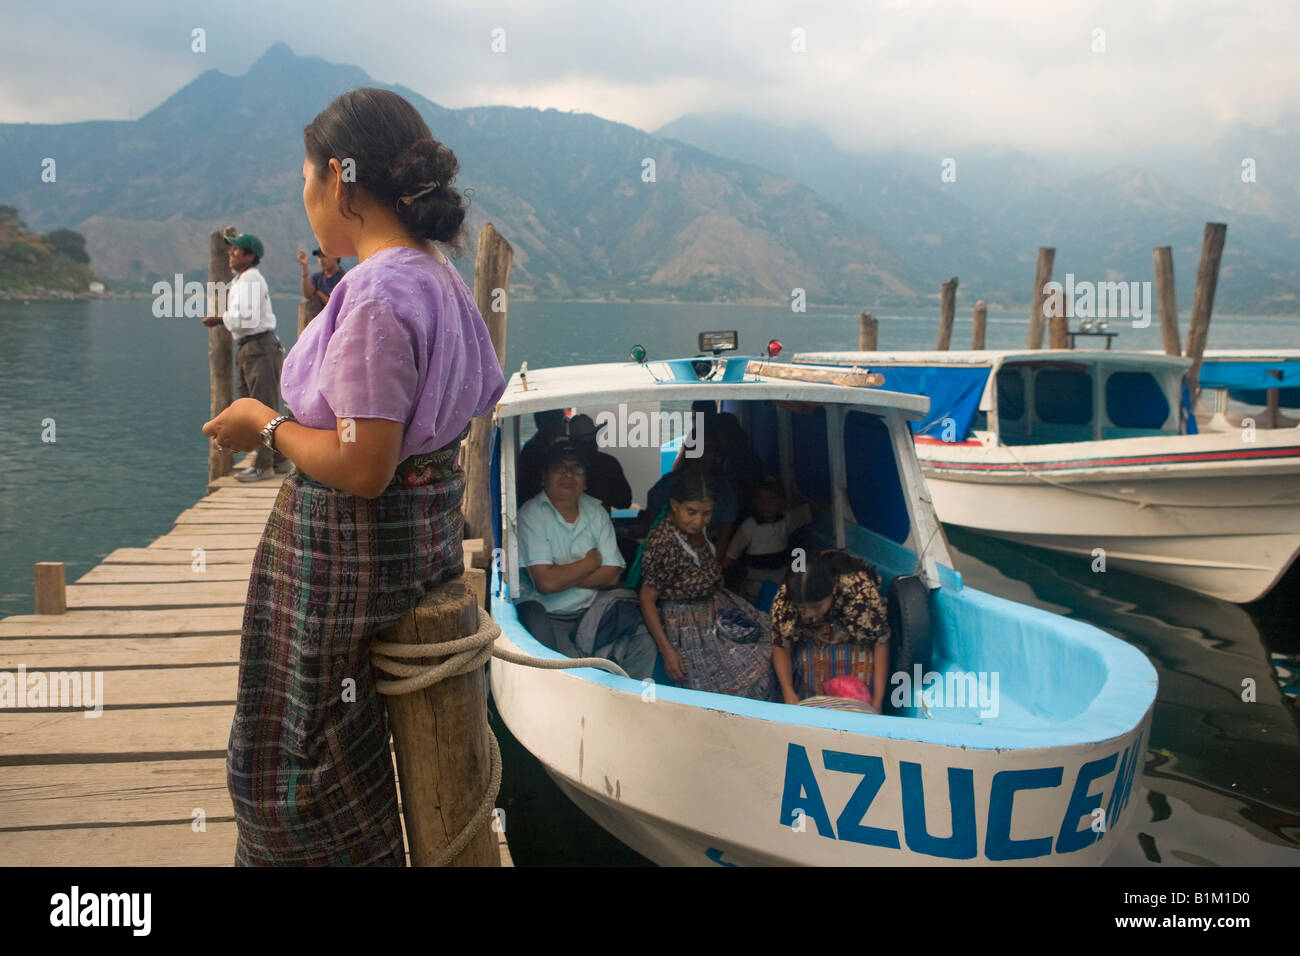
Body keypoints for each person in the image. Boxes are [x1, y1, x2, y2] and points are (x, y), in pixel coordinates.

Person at [203, 87, 506, 866]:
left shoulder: (374, 294)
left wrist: (261, 425)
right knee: (339, 732)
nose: (305, 201)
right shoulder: (436, 275)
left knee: (300, 748)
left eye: (305, 182)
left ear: (339, 179)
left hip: (350, 555)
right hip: (421, 542)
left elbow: (364, 467)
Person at [514, 440, 657, 679]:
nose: (568, 474)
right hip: (550, 616)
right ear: (543, 477)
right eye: (559, 468)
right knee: (578, 673)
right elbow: (545, 584)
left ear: (586, 481)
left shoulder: (596, 511)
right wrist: (589, 564)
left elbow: (612, 576)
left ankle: (628, 706)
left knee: (643, 647)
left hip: (594, 610)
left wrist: (560, 575)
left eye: (577, 469)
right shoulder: (531, 515)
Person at [637, 470, 775, 700]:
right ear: (674, 505)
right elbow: (647, 599)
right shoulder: (664, 541)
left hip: (719, 610)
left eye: (707, 513)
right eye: (691, 512)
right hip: (688, 625)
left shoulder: (697, 530)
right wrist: (668, 651)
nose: (699, 521)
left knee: (772, 643)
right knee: (733, 681)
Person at [202, 232, 291, 480]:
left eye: (236, 251)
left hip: (258, 347)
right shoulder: (243, 279)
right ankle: (279, 460)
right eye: (230, 250)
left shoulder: (251, 279)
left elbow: (247, 317)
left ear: (250, 256)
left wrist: (220, 319)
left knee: (261, 408)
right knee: (256, 405)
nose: (230, 254)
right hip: (249, 346)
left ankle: (263, 466)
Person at [769, 549, 891, 710]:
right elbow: (781, 645)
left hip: (854, 632)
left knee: (862, 675)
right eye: (802, 609)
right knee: (806, 668)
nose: (810, 614)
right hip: (813, 636)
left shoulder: (860, 592)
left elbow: (880, 642)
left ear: (833, 590)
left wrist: (877, 702)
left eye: (816, 607)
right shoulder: (786, 598)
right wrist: (789, 694)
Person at [721, 477, 813, 605]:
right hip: (756, 577)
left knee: (781, 600)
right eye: (760, 501)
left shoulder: (785, 520)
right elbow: (733, 552)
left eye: (771, 500)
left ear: (781, 502)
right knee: (758, 602)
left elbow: (807, 511)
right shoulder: (749, 526)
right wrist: (720, 572)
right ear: (754, 503)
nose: (766, 506)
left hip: (780, 574)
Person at [567, 414, 632, 512]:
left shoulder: (559, 468)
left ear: (571, 442)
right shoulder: (609, 463)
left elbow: (625, 502)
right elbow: (624, 503)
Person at [516, 409, 567, 503]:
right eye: (561, 419)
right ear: (543, 424)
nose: (565, 424)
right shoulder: (531, 450)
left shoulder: (568, 444)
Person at [298, 247, 347, 321]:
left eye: (324, 256)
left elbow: (335, 305)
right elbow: (307, 293)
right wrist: (304, 267)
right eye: (319, 257)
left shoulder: (343, 279)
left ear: (335, 257)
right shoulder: (317, 277)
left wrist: (319, 293)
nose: (321, 260)